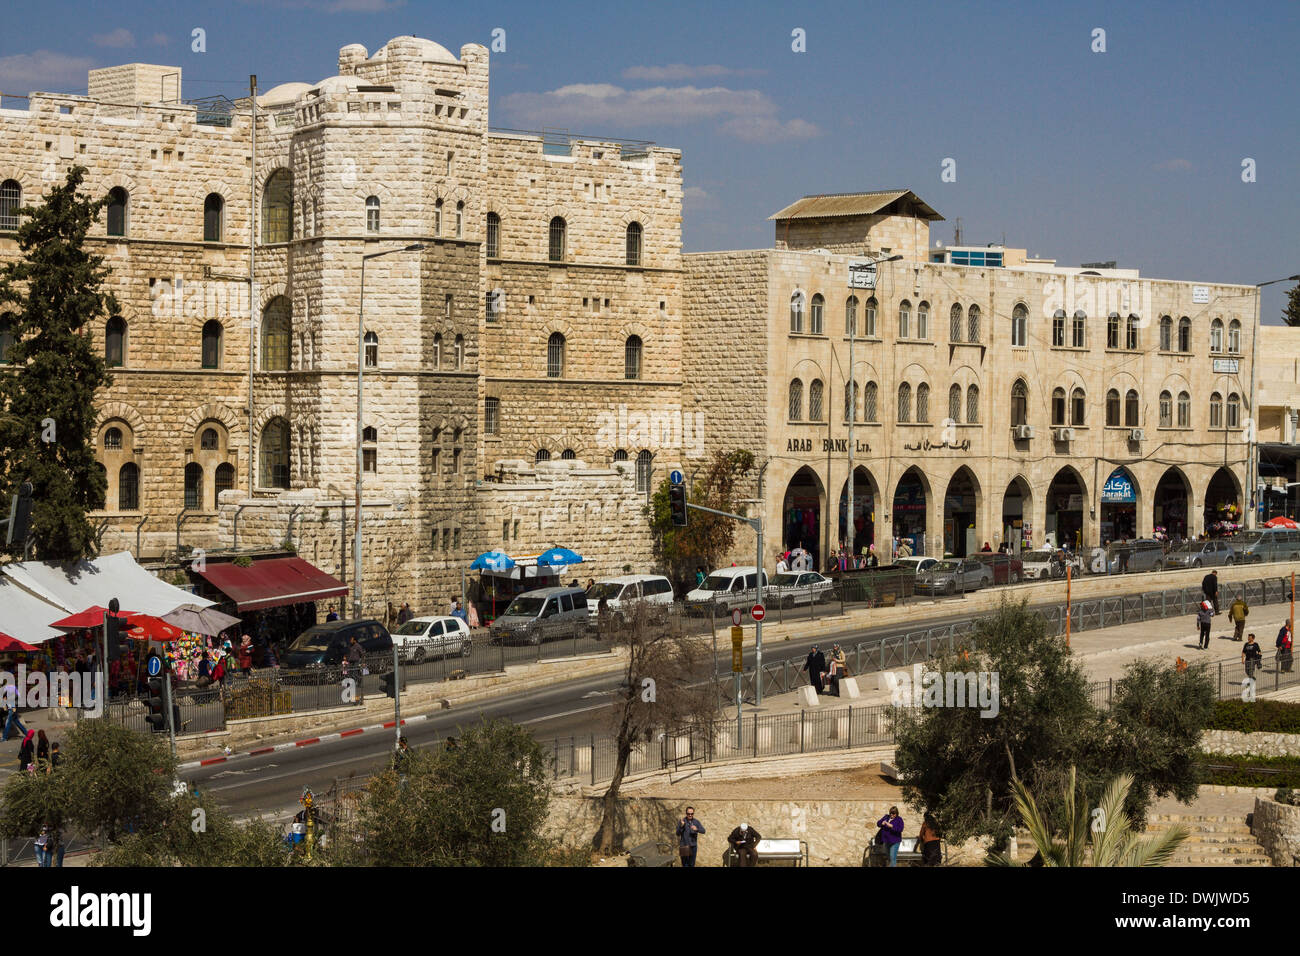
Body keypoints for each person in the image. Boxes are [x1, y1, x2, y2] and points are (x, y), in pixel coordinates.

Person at [346, 635, 365, 704]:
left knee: (354, 673)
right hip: (350, 661)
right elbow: (349, 653)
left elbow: (362, 653)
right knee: (350, 673)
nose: (350, 641)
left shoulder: (358, 646)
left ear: (355, 640)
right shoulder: (350, 646)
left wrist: (362, 662)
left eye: (352, 640)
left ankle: (357, 682)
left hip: (356, 661)